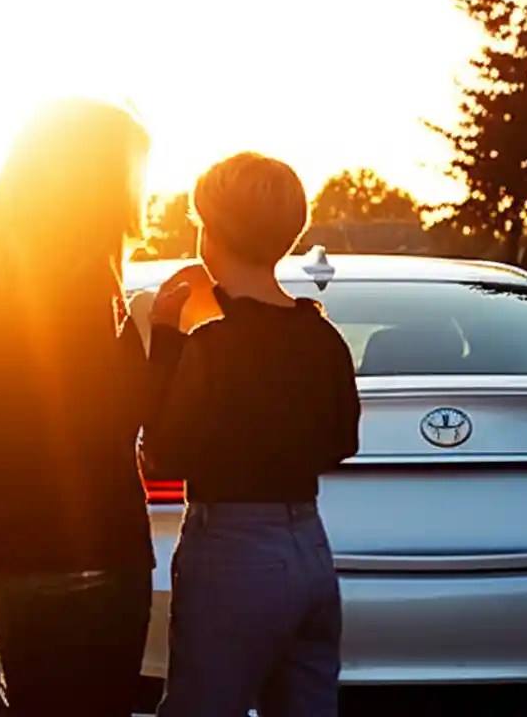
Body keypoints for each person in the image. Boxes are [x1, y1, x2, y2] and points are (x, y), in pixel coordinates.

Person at [0, 98, 154, 716]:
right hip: (108, 547)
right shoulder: (100, 288)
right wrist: (153, 338)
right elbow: (124, 414)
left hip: (16, 546)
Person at [143, 152, 362, 717]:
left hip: (233, 549)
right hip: (310, 547)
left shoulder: (212, 346)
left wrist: (165, 337)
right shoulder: (323, 337)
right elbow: (342, 442)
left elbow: (163, 452)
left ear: (210, 234)